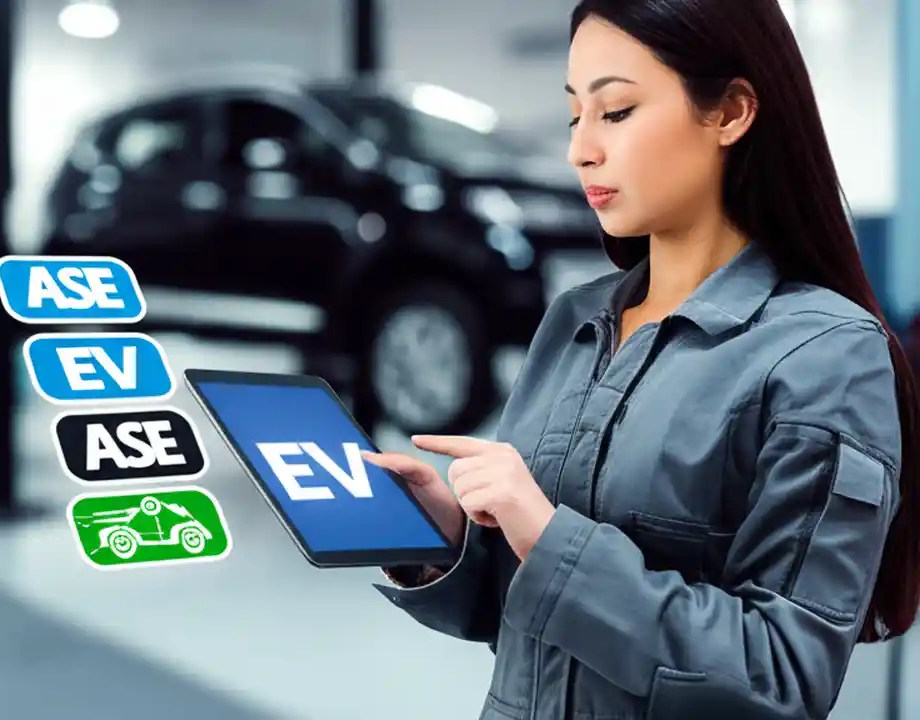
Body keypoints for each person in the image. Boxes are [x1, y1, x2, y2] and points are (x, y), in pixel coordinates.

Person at [362, 1, 920, 718]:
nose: (580, 149)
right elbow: (533, 619)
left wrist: (546, 534)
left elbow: (781, 677)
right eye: (574, 117)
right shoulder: (576, 320)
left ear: (730, 112)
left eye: (616, 111)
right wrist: (452, 539)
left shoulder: (826, 356)